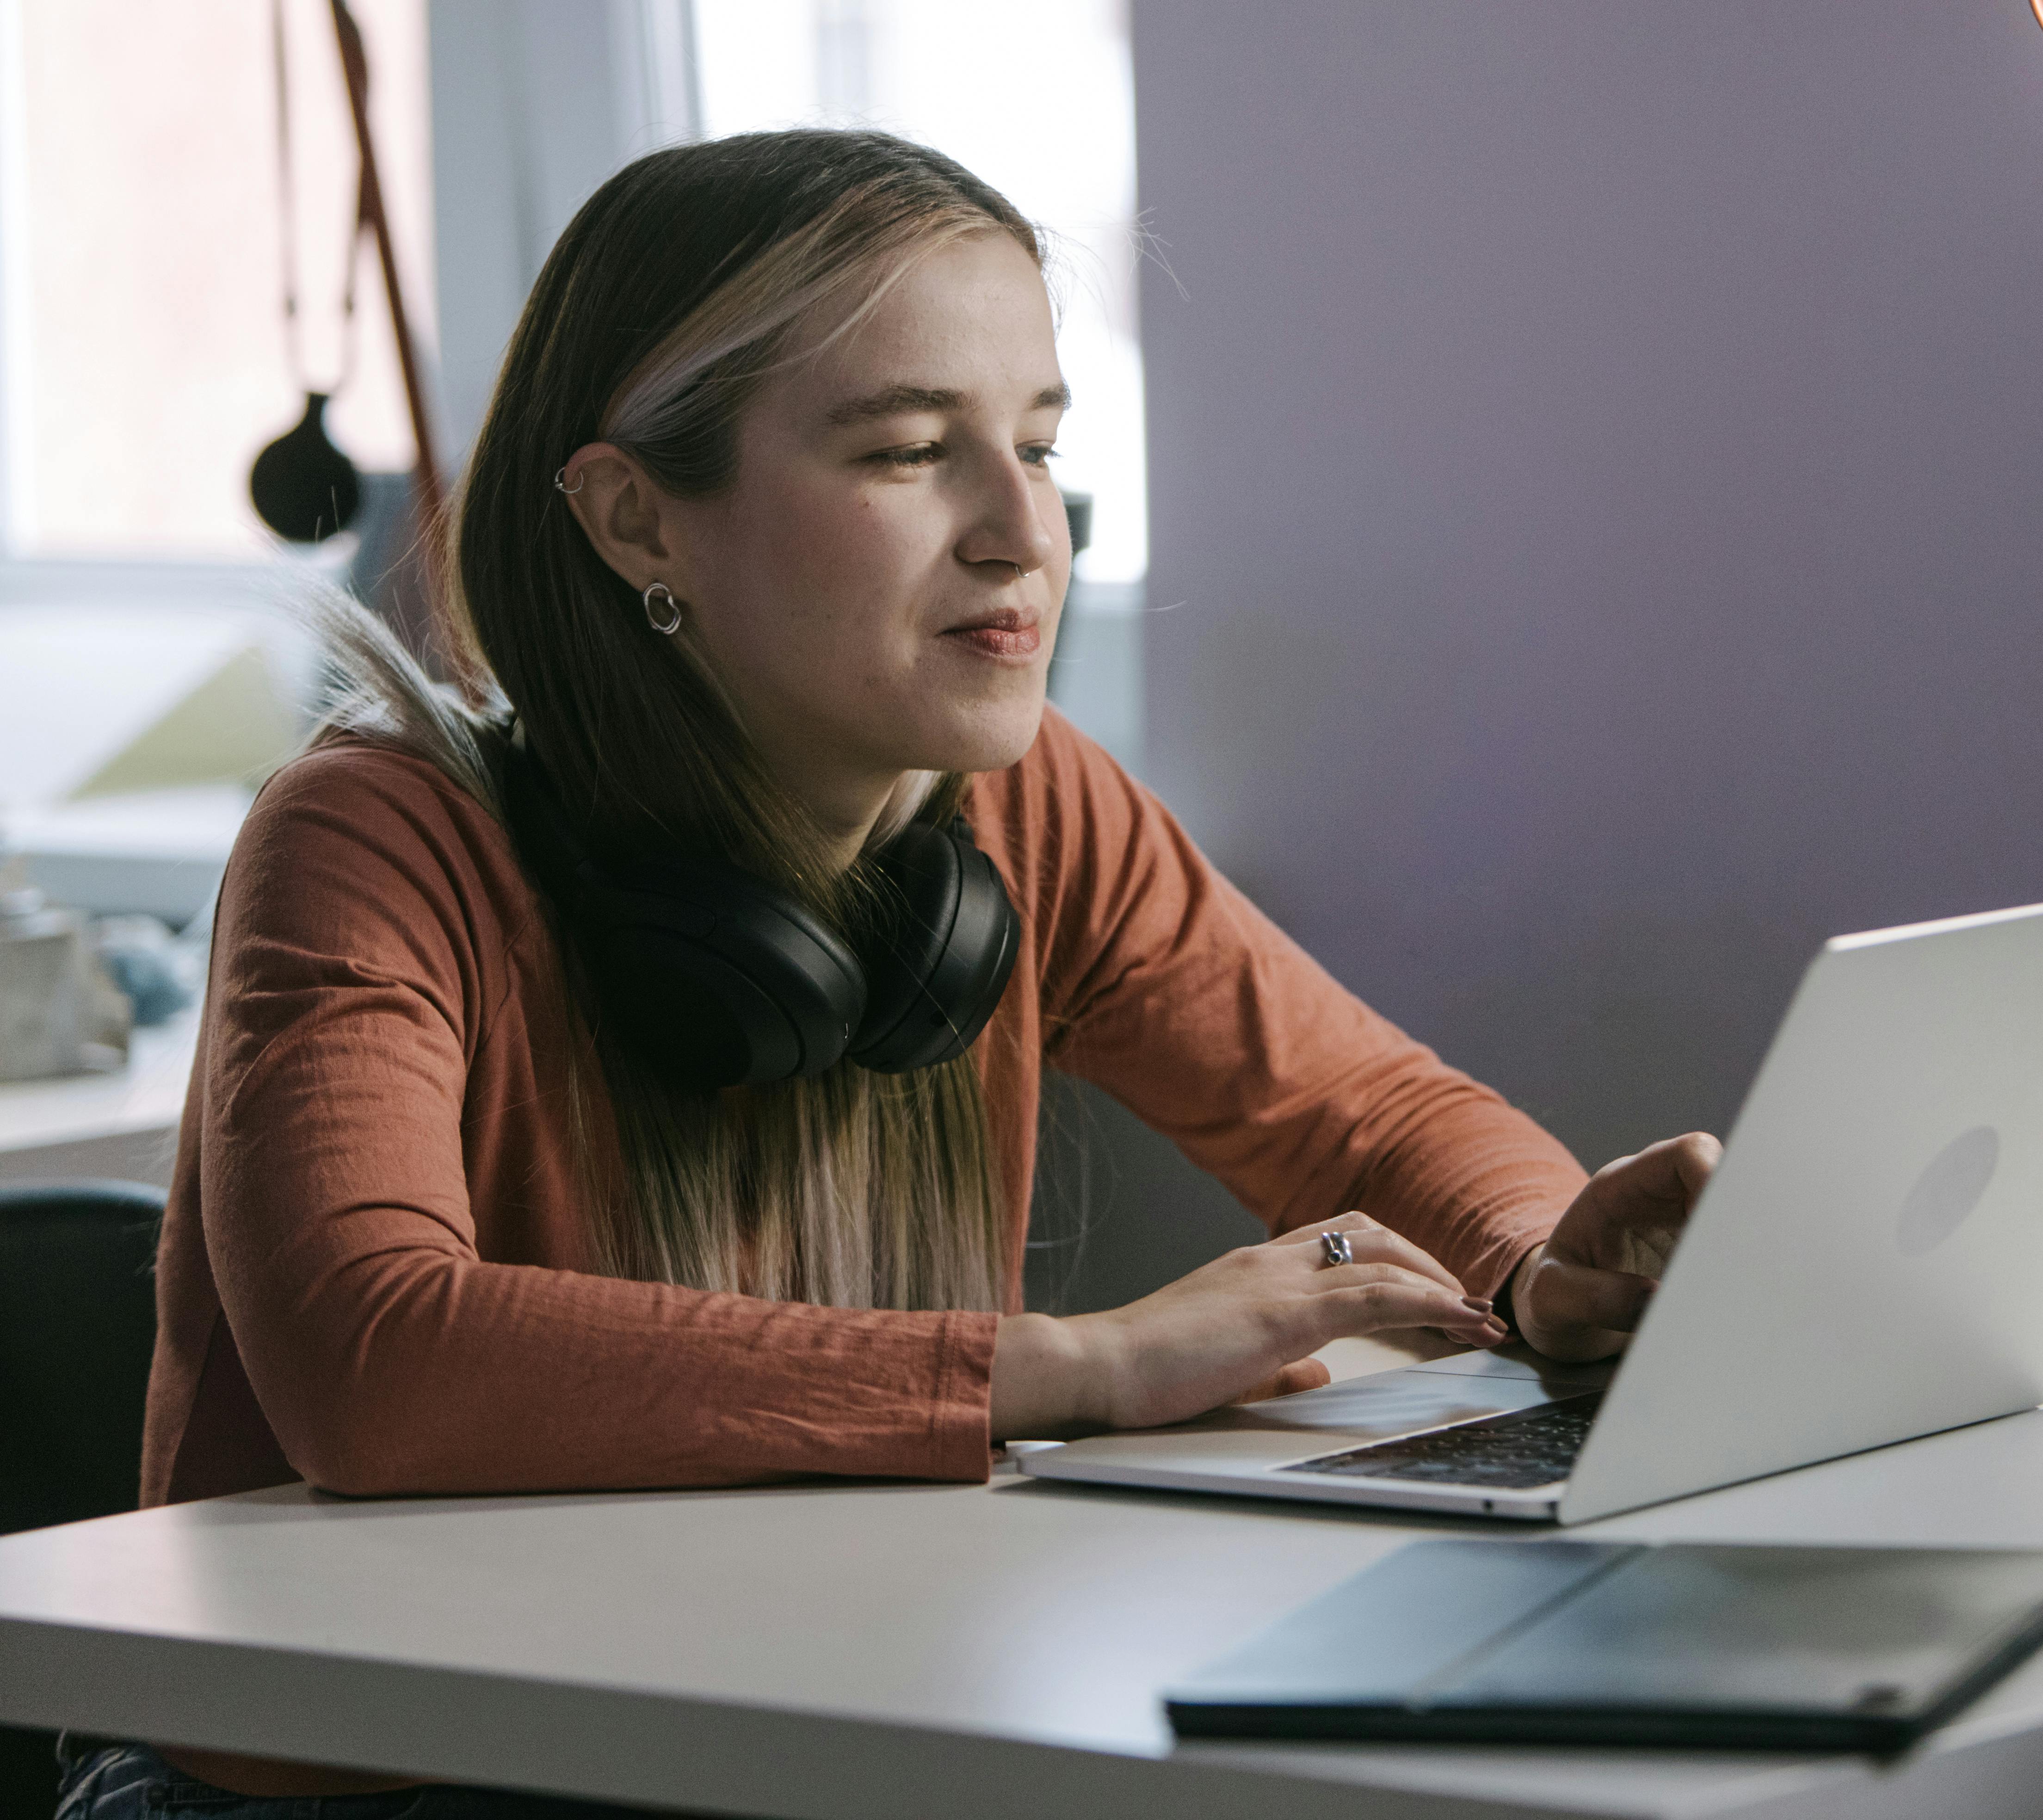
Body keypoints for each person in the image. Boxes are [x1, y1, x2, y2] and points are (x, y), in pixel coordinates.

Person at [66, 130, 1716, 1818]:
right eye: (913, 452)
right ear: (638, 517)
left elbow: (1368, 1112)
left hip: (795, 1729)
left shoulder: (1022, 804)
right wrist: (1072, 1368)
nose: (1024, 532)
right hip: (373, 1790)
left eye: (1044, 444)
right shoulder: (375, 839)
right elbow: (380, 1364)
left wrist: (1537, 1262)